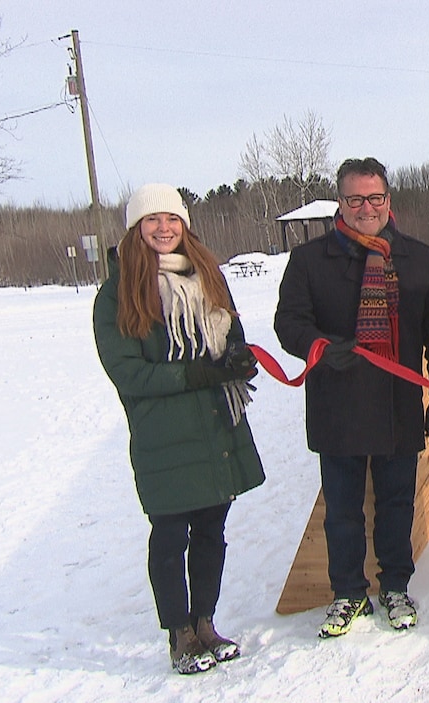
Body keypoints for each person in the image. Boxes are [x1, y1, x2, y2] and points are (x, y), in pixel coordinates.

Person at [274, 157, 429, 638]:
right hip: (338, 406)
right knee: (343, 509)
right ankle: (349, 593)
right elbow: (288, 323)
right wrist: (319, 346)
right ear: (341, 202)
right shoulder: (310, 260)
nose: (366, 208)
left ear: (388, 200)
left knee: (397, 504)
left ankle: (395, 585)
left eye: (375, 198)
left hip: (399, 404)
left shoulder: (417, 257)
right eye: (355, 199)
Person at [93, 183, 264, 675]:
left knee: (212, 529)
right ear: (136, 229)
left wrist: (238, 358)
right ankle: (180, 634)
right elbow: (127, 372)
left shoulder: (207, 275)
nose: (163, 229)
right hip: (164, 435)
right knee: (170, 535)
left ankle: (206, 622)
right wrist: (191, 373)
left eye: (172, 219)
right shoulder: (119, 291)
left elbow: (231, 331)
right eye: (152, 220)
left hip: (216, 425)